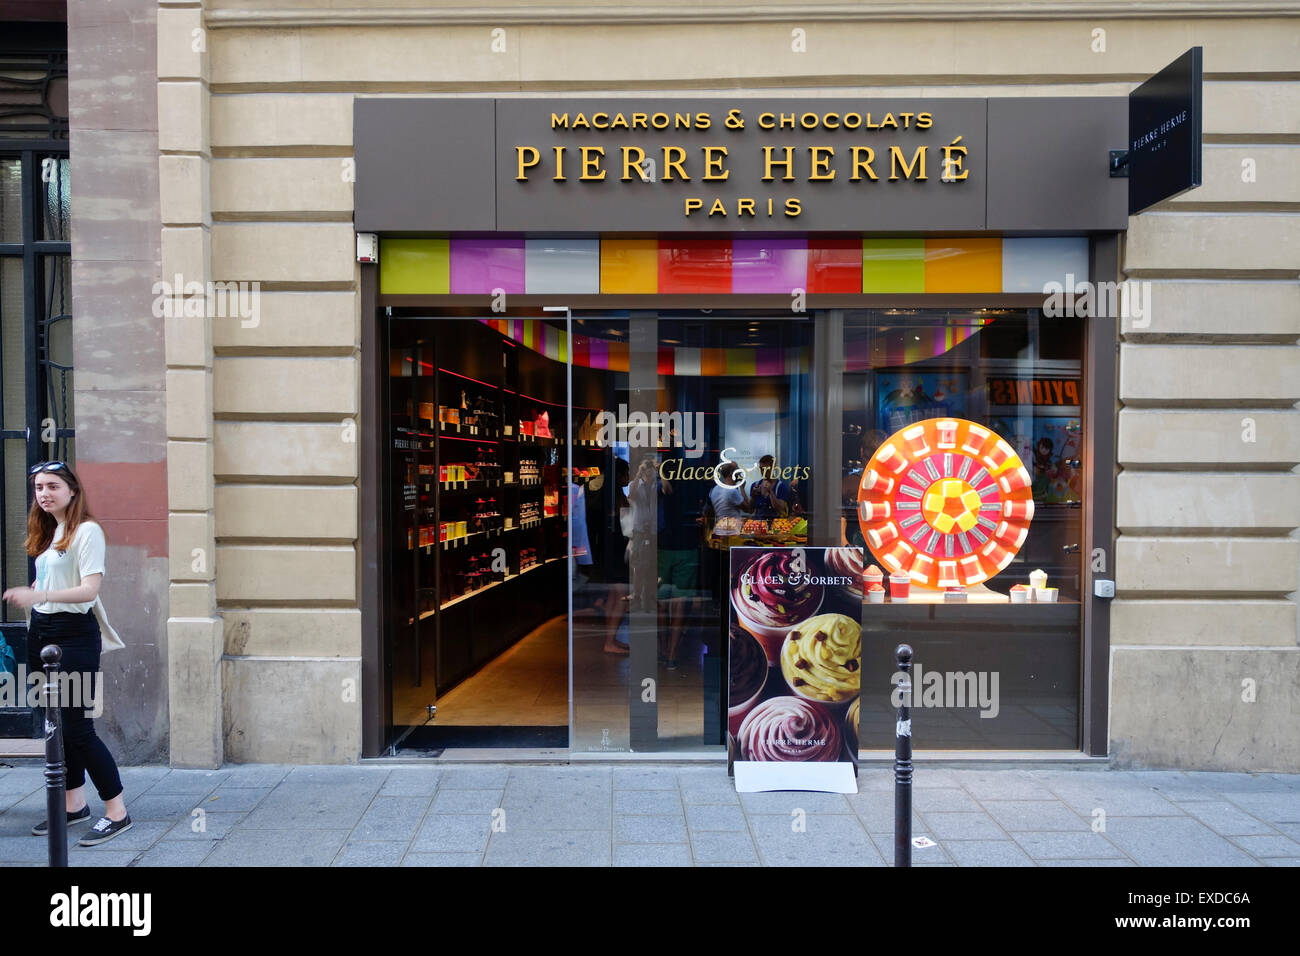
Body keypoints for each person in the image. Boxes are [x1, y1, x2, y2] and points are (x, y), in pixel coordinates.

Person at [2, 460, 132, 846]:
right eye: (39, 487)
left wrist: (38, 594)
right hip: (41, 631)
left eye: (53, 486)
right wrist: (38, 590)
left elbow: (89, 590)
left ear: (72, 490)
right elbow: (54, 579)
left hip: (72, 637)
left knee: (76, 728)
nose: (44, 493)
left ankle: (118, 812)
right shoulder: (51, 530)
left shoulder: (87, 531)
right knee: (53, 726)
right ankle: (74, 806)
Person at [749, 454, 792, 520]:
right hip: (758, 524)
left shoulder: (780, 487)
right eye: (761, 469)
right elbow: (750, 509)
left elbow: (781, 509)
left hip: (775, 525)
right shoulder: (755, 485)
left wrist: (770, 492)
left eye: (767, 469)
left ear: (773, 468)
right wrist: (753, 496)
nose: (763, 472)